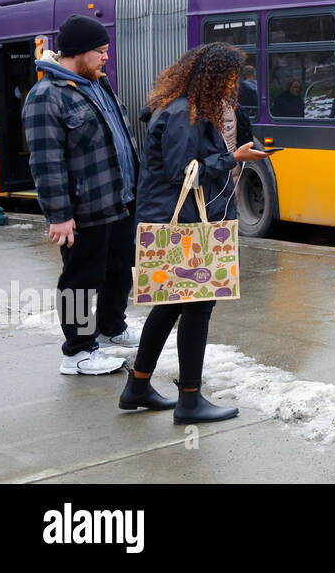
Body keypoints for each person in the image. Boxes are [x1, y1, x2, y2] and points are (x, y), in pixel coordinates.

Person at [118, 44, 269, 422]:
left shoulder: (186, 108)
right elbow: (183, 172)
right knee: (198, 307)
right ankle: (189, 400)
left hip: (179, 220)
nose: (236, 84)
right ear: (214, 77)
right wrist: (233, 159)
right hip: (184, 225)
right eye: (232, 76)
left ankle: (137, 386)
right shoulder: (185, 113)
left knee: (170, 305)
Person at [23, 15, 143, 375]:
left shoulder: (97, 84)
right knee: (79, 282)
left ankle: (111, 328)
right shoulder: (45, 96)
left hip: (119, 201)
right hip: (85, 208)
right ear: (78, 52)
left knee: (120, 271)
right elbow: (46, 162)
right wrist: (59, 215)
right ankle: (77, 351)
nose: (107, 58)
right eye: (101, 51)